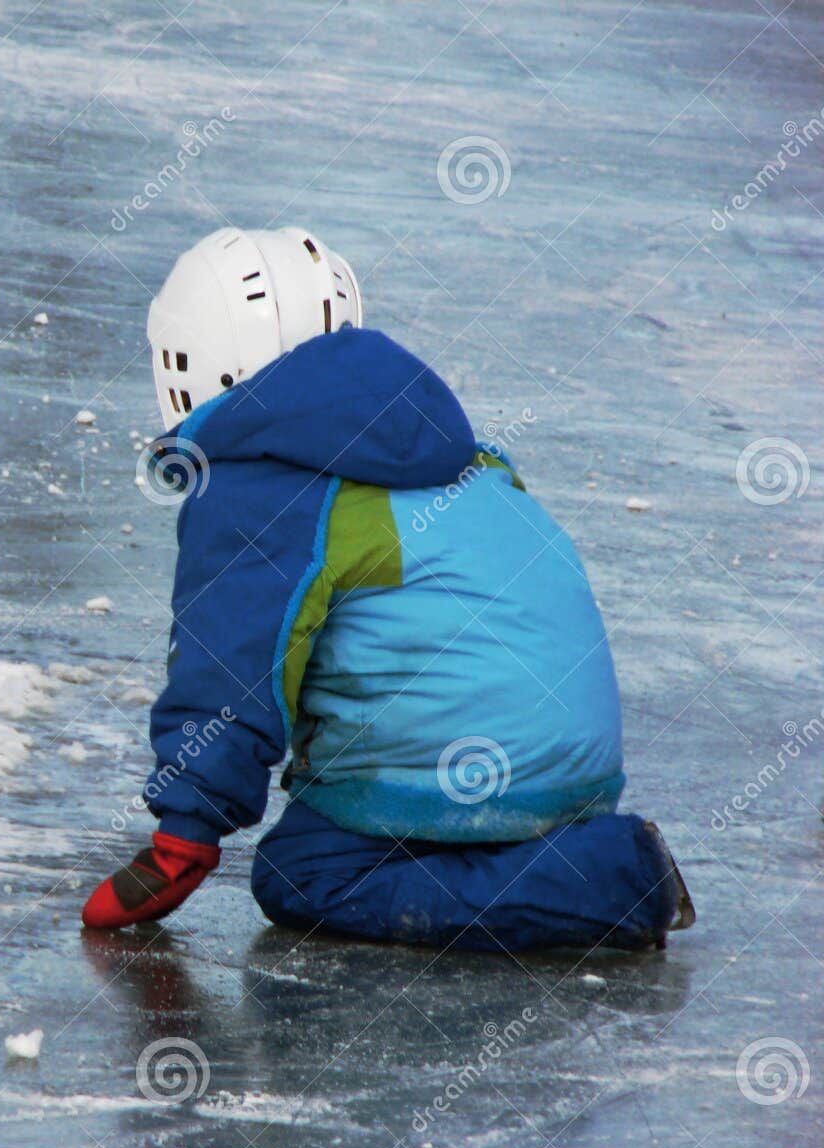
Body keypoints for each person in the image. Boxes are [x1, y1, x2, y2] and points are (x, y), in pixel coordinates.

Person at [82, 226, 694, 952]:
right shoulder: (460, 454)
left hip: (470, 771)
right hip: (574, 772)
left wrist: (185, 835)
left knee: (305, 873)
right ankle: (558, 850)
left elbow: (229, 670)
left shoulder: (259, 493)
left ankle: (611, 879)